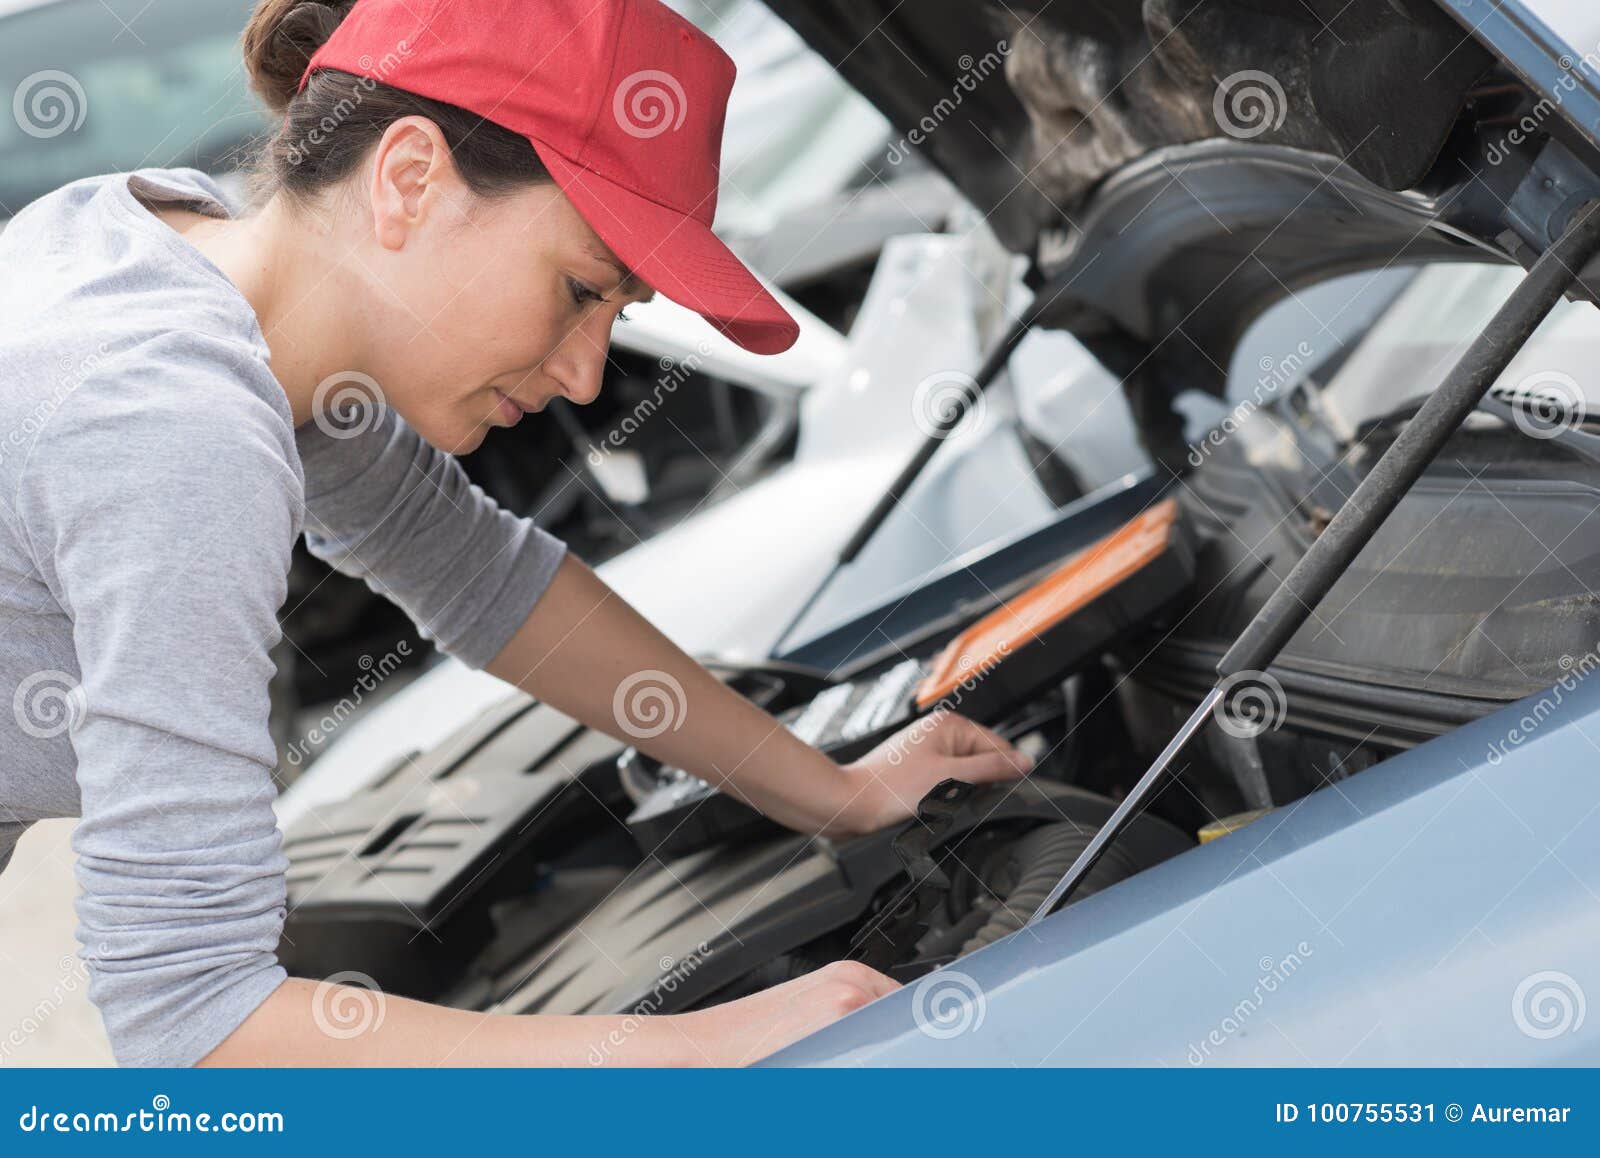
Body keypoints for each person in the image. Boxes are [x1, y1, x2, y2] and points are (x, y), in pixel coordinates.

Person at [0, 0, 1032, 1066]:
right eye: (579, 290)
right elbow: (193, 1019)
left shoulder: (149, 240)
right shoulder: (173, 422)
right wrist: (702, 1046)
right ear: (408, 179)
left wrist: (835, 788)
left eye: (616, 316)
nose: (587, 374)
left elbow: (477, 572)